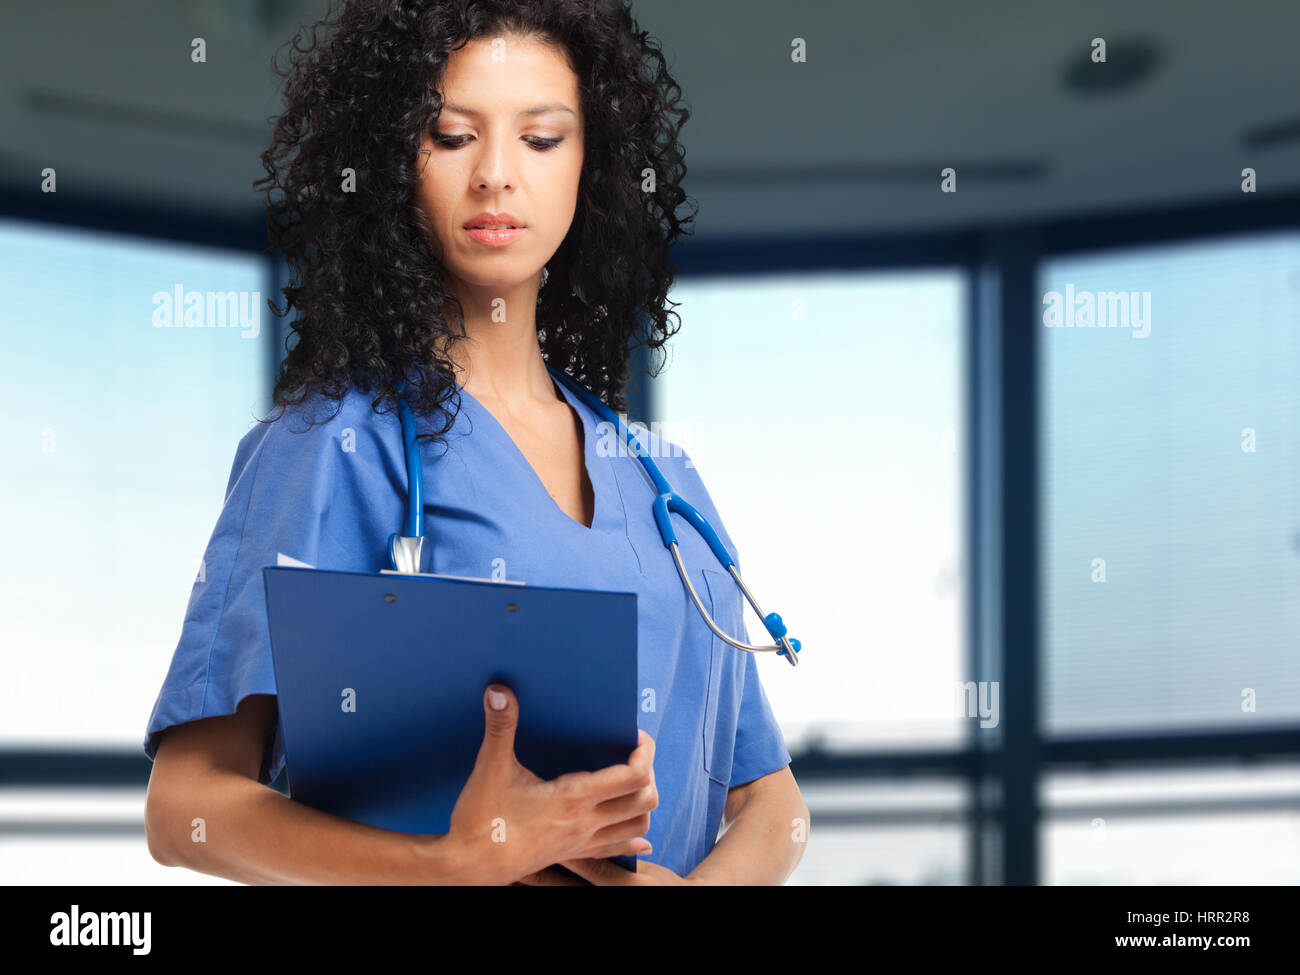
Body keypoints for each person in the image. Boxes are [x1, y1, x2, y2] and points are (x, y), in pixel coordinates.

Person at [143, 0, 809, 886]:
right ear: (391, 161)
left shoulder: (662, 475)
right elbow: (184, 809)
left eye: (542, 139)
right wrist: (447, 863)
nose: (496, 175)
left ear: (591, 166)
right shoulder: (332, 447)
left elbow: (774, 801)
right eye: (451, 136)